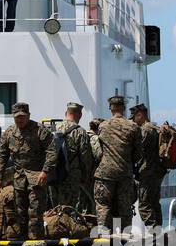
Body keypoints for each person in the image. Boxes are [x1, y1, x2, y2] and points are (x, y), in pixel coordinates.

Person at [0, 102, 59, 239]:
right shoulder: (9, 133)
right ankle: (22, 240)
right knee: (19, 211)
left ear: (28, 116)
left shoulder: (40, 130)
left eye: (23, 116)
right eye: (17, 117)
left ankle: (35, 240)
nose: (20, 120)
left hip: (36, 176)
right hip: (19, 178)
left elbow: (52, 151)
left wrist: (45, 171)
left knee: (35, 211)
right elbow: (1, 156)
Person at [94, 95, 143, 231]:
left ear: (111, 108)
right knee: (125, 208)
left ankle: (104, 239)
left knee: (103, 205)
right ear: (124, 108)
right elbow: (139, 154)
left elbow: (99, 151)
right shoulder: (133, 127)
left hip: (105, 173)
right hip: (124, 173)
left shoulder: (103, 126)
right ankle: (124, 241)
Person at [53, 102, 96, 213]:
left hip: (53, 175)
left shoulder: (53, 128)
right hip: (71, 176)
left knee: (54, 208)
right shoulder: (80, 132)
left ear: (66, 113)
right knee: (68, 209)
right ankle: (66, 229)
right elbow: (85, 157)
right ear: (80, 115)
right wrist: (86, 176)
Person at [131, 103, 165, 228]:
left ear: (140, 115)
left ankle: (154, 232)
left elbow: (139, 149)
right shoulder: (155, 128)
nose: (134, 121)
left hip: (147, 172)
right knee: (155, 203)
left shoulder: (146, 130)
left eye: (134, 117)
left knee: (144, 205)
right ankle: (159, 231)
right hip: (157, 172)